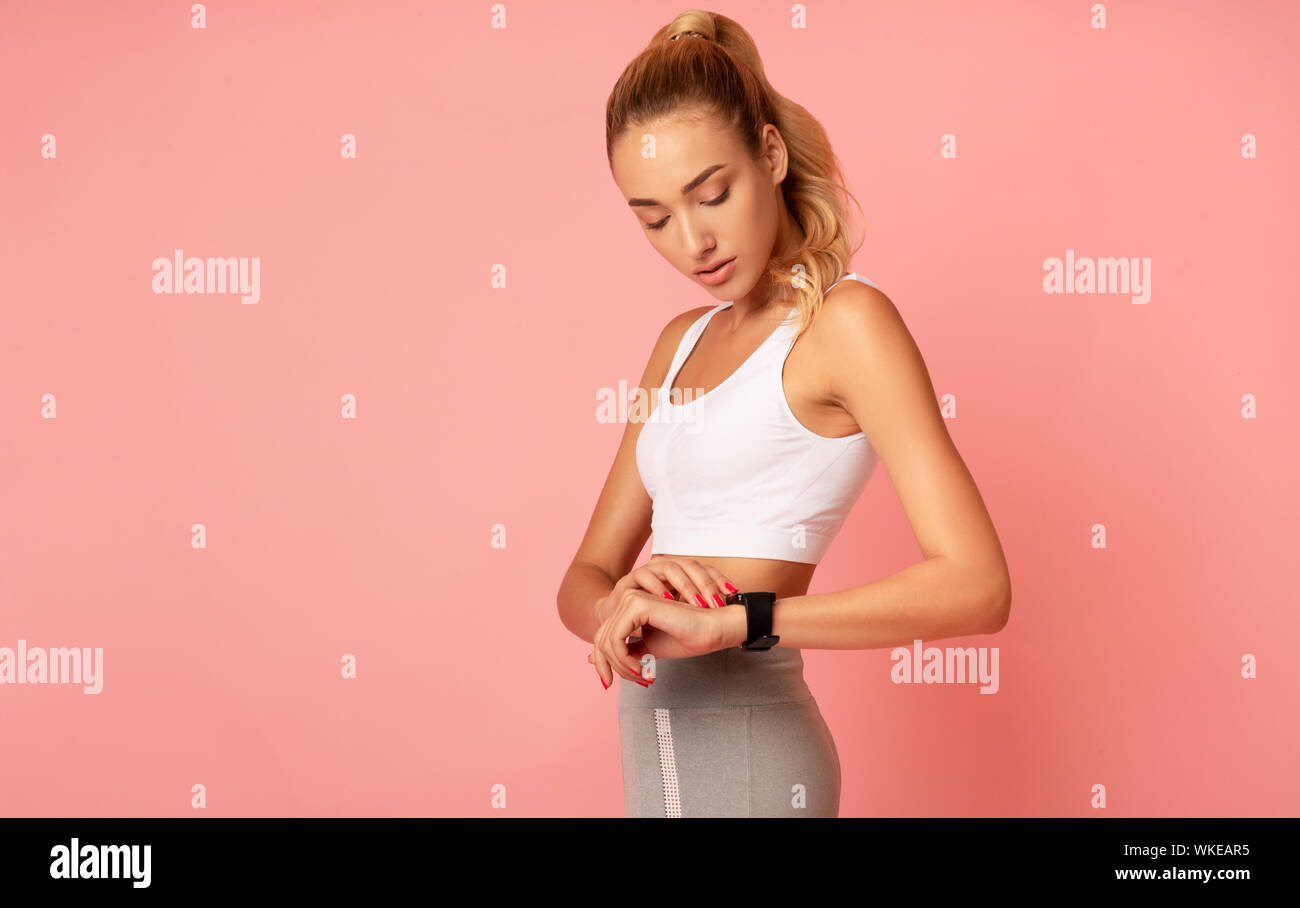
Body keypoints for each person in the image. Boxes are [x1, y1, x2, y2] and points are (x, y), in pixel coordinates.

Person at [556, 9, 1011, 817]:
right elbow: (582, 579)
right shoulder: (678, 344)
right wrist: (626, 605)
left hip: (755, 757)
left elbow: (977, 587)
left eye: (713, 194)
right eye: (654, 218)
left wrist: (737, 623)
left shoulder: (847, 326)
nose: (693, 241)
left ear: (768, 154)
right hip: (652, 757)